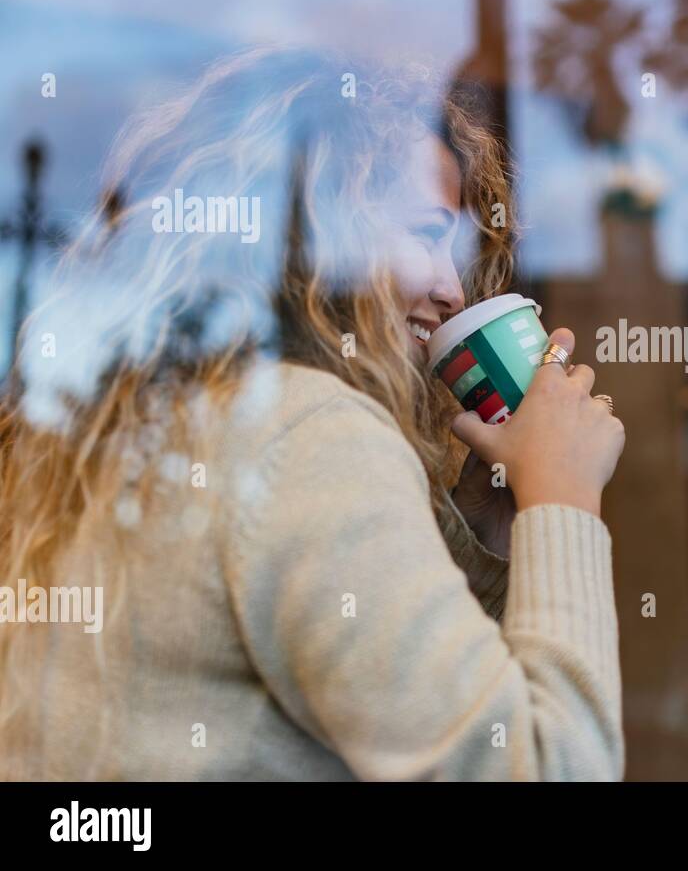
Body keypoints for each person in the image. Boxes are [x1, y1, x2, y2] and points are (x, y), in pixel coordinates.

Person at [0, 47, 626, 780]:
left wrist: (499, 512)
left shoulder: (158, 427)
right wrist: (566, 501)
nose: (453, 289)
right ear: (321, 237)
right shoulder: (305, 429)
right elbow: (550, 766)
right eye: (428, 234)